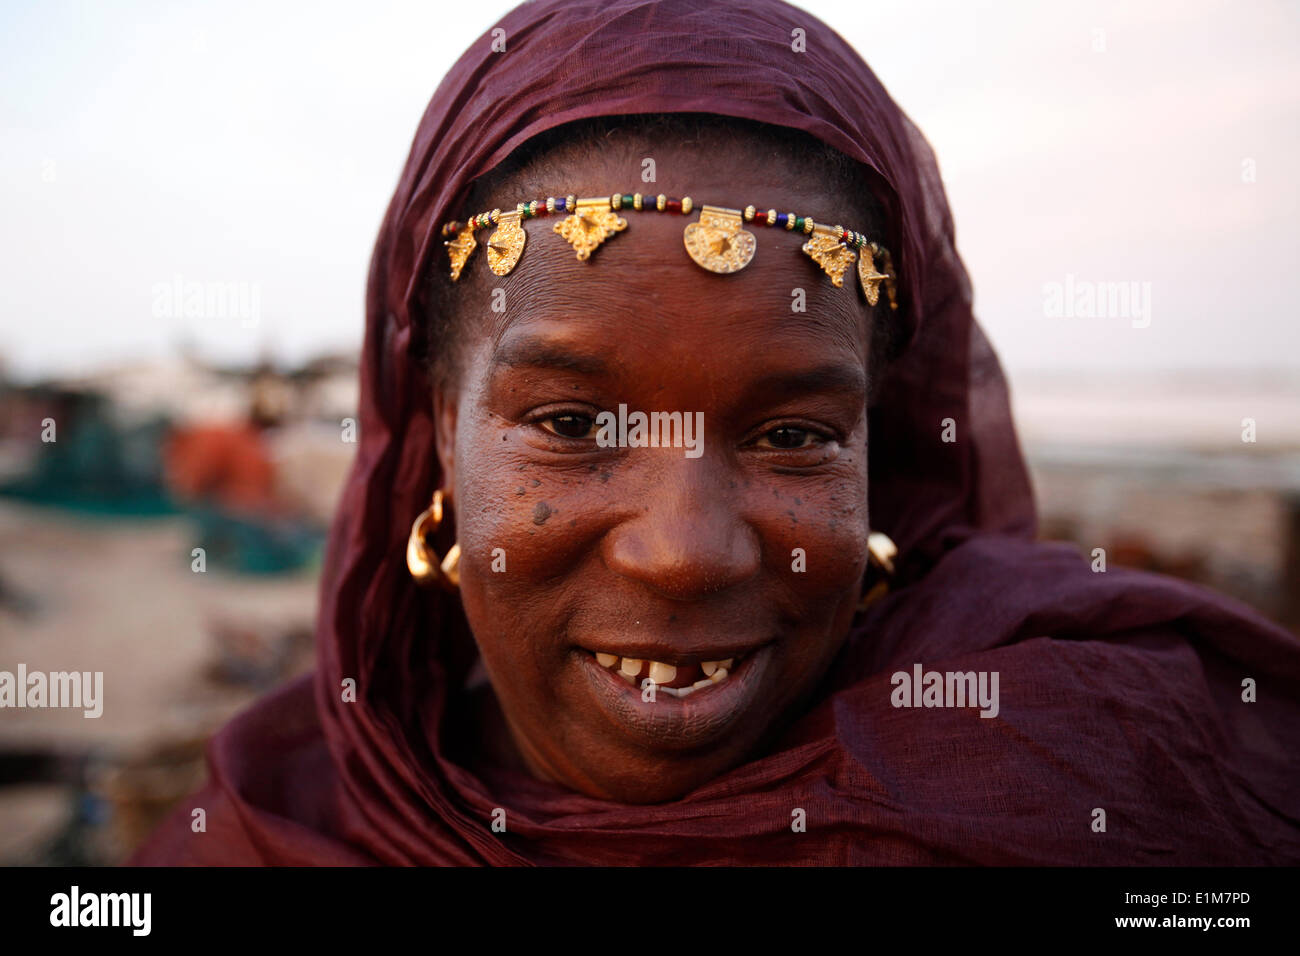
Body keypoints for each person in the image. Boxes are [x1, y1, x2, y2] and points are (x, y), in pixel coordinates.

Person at [132, 0, 1300, 865]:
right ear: (438, 435)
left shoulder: (1091, 767)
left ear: (877, 449)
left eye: (794, 436)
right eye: (574, 421)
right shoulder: (267, 829)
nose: (686, 550)